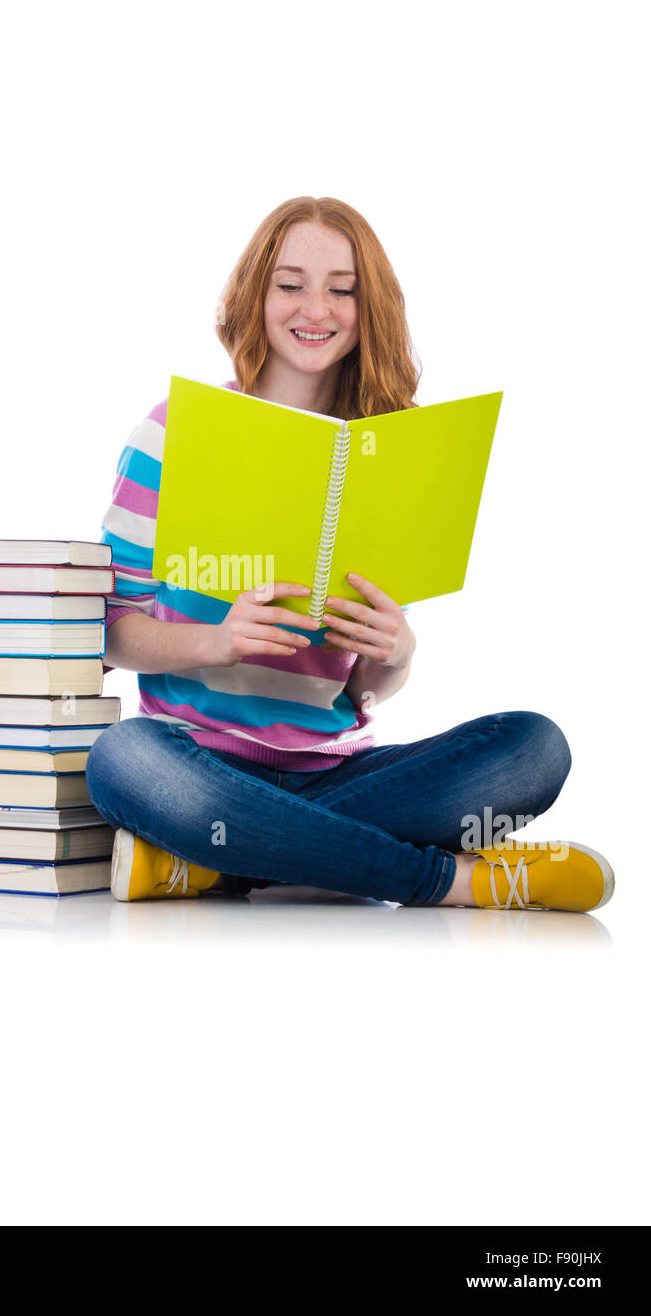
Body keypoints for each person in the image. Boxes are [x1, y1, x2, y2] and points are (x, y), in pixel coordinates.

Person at [85, 196, 614, 914]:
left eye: (342, 289)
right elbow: (108, 633)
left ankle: (219, 864)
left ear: (372, 308)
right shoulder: (170, 432)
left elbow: (361, 691)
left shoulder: (390, 453)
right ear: (255, 295)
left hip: (343, 775)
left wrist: (393, 654)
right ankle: (451, 882)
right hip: (196, 764)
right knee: (120, 760)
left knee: (532, 747)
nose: (316, 308)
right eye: (290, 283)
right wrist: (216, 641)